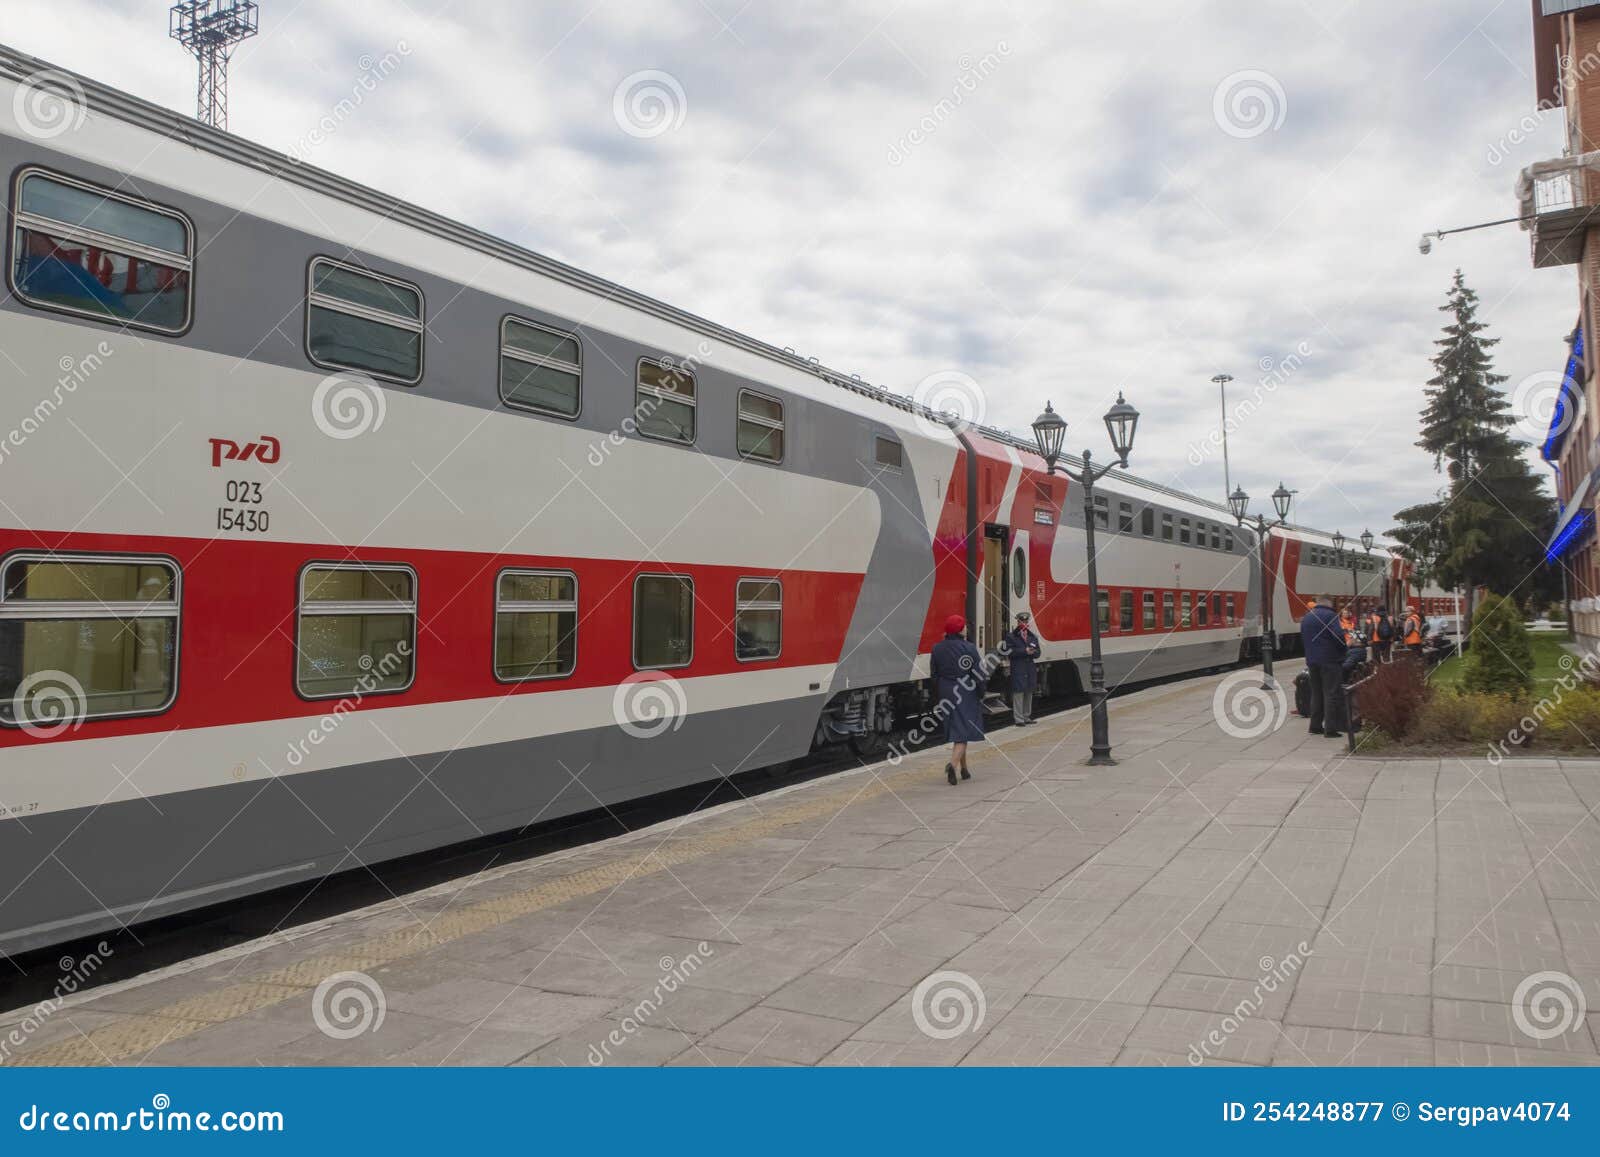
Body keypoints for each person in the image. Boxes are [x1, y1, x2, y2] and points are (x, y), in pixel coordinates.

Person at [930, 614, 984, 785]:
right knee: (963, 731)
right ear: (960, 630)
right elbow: (978, 675)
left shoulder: (937, 648)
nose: (966, 628)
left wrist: (939, 692)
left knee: (958, 730)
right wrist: (981, 692)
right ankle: (952, 766)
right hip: (965, 691)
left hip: (946, 691)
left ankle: (964, 769)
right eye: (964, 626)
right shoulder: (969, 648)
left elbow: (934, 675)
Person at [1301, 595, 1347, 739]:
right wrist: (1344, 648)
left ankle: (1315, 726)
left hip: (1312, 661)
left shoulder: (1307, 617)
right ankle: (1330, 729)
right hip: (1330, 660)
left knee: (1316, 693)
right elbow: (1338, 635)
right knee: (1331, 693)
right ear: (1329, 603)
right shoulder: (1330, 616)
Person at [1003, 610, 1041, 725]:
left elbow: (1038, 653)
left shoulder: (1032, 636)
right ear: (1018, 622)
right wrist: (1024, 651)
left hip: (1029, 668)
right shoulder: (1011, 636)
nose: (1024, 623)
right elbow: (1008, 651)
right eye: (1022, 621)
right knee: (1018, 693)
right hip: (1018, 668)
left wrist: (1033, 652)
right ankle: (1019, 719)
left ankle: (1026, 716)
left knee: (1029, 692)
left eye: (1026, 621)